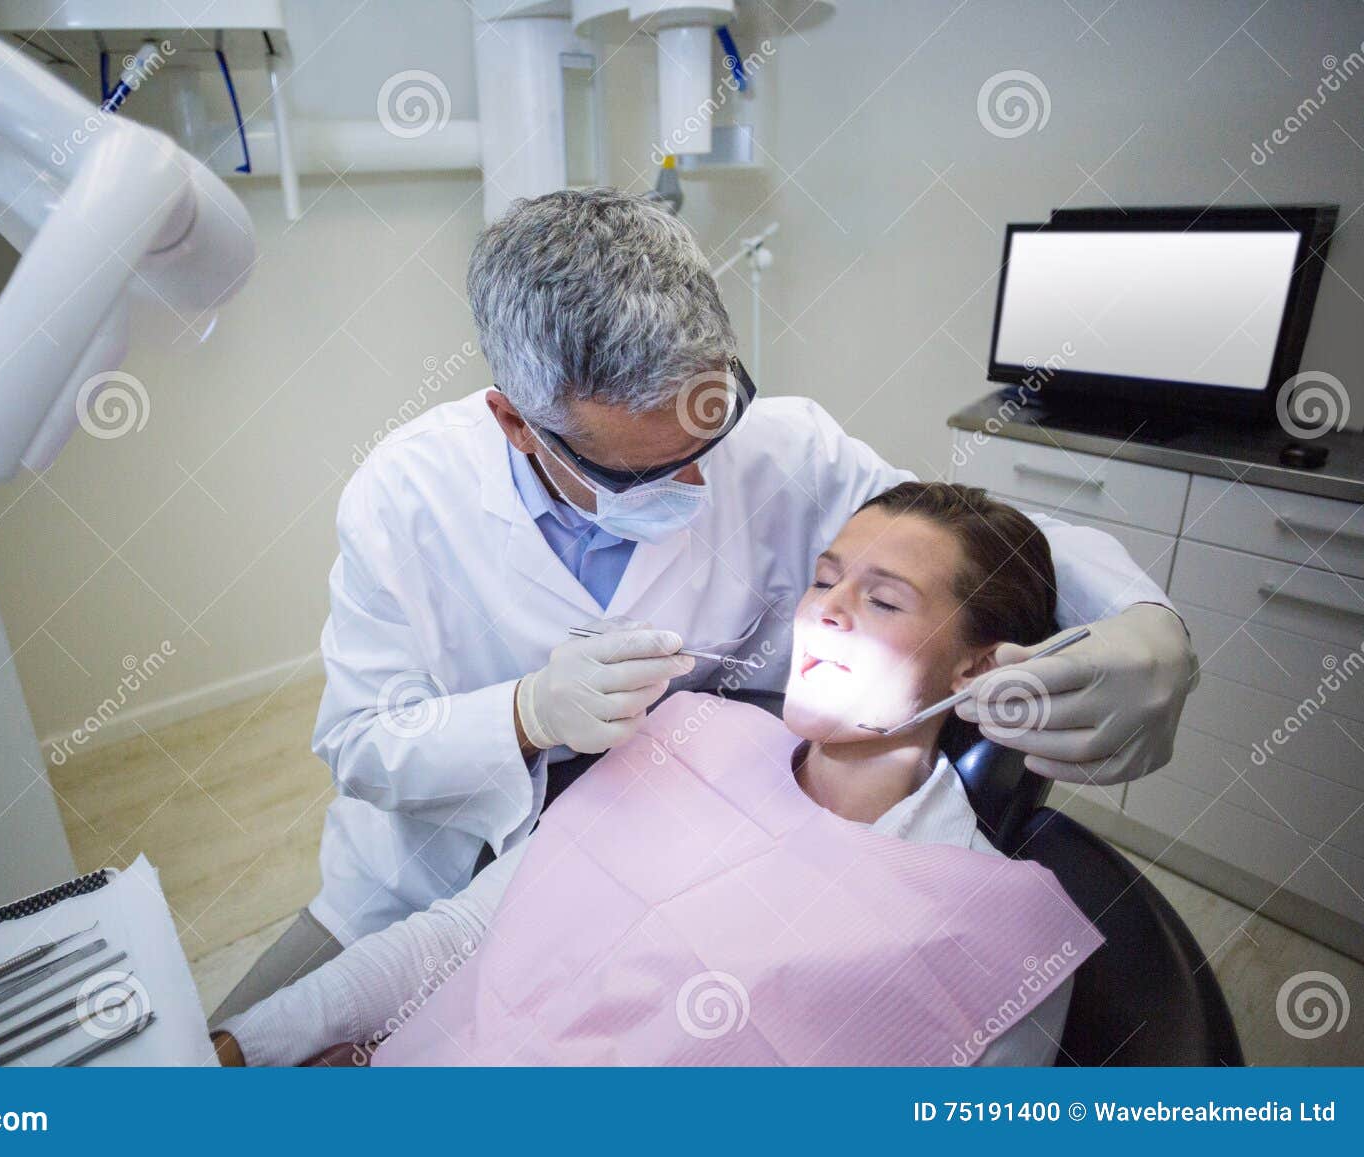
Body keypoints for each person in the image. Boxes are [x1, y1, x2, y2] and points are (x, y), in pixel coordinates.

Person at [209, 188, 1196, 1027]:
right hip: (430, 877)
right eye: (643, 464)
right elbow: (361, 741)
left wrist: (1150, 622)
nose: (694, 475)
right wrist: (521, 715)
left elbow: (976, 540)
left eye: (709, 425)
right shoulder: (406, 497)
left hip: (682, 885)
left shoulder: (786, 450)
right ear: (516, 421)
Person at [212, 483, 1100, 1066]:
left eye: (883, 597)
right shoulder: (690, 739)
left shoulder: (989, 934)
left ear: (977, 671)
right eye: (824, 580)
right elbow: (452, 939)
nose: (824, 614)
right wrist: (247, 1044)